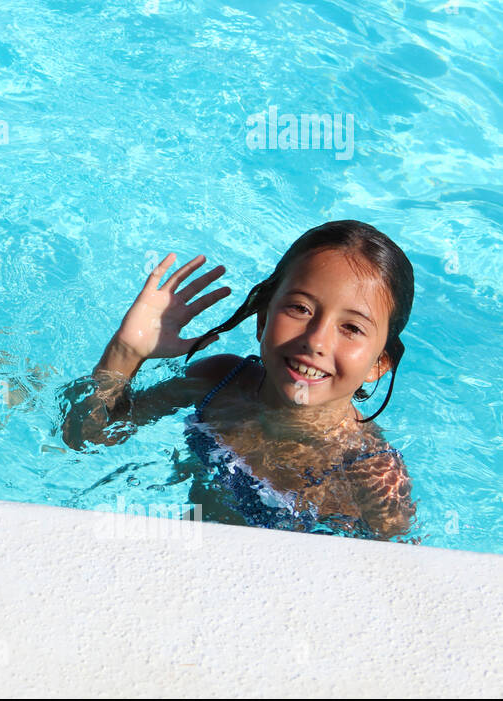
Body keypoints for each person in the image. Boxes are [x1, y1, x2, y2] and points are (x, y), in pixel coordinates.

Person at [62, 220, 416, 539]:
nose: (316, 340)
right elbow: (88, 435)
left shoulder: (370, 471)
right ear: (262, 318)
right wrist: (126, 353)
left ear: (378, 363)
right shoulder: (218, 381)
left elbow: (402, 570)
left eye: (351, 327)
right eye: (300, 308)